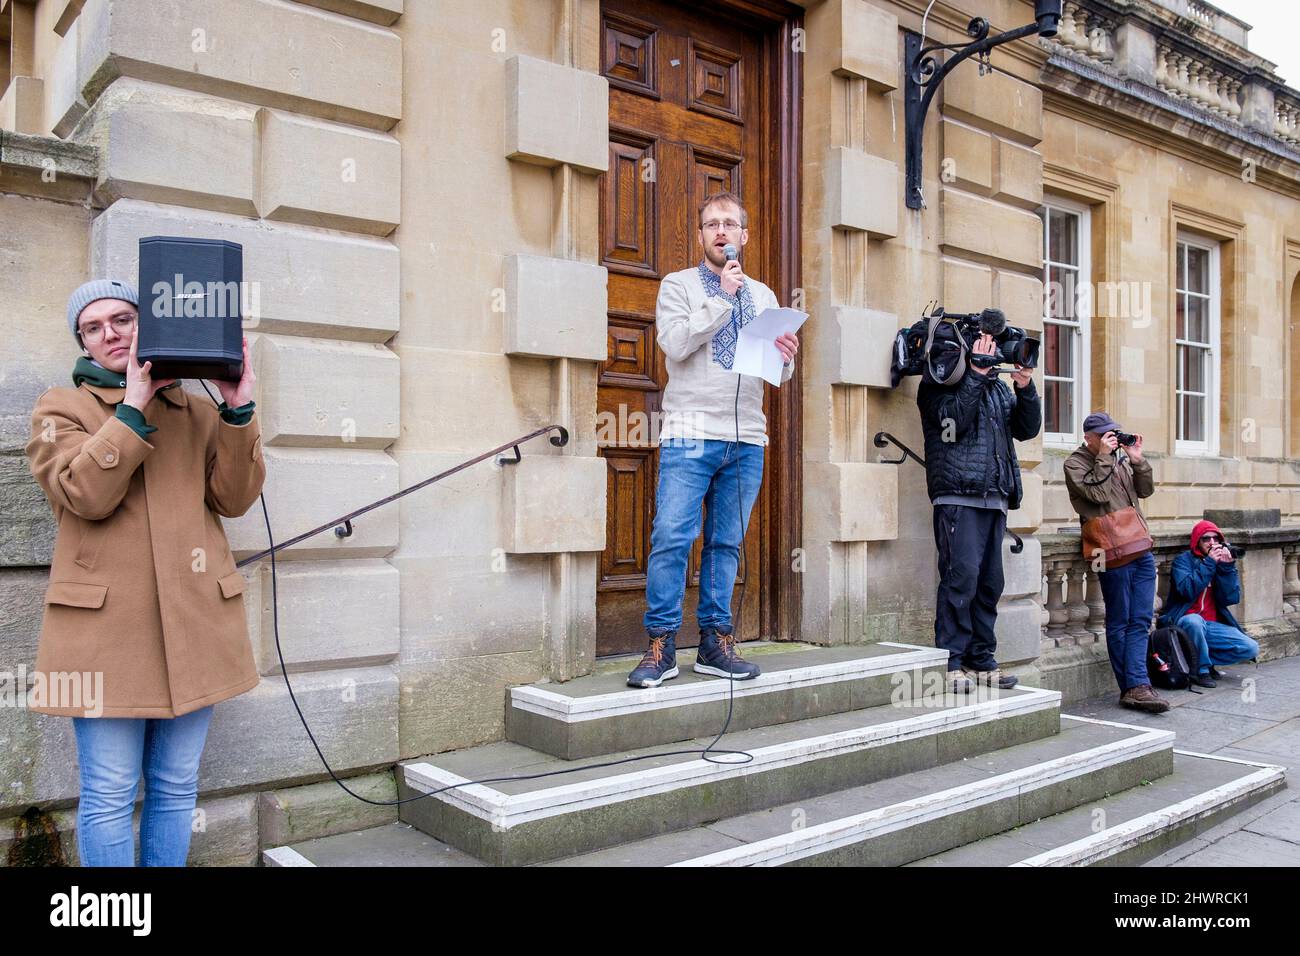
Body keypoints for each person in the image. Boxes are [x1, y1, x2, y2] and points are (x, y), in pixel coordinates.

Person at [24, 279, 264, 866]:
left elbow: (234, 500)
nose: (110, 334)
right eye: (93, 327)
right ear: (80, 340)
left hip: (195, 626)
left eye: (123, 320)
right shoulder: (60, 408)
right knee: (107, 794)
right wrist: (132, 406)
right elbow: (84, 494)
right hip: (103, 636)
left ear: (147, 325)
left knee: (178, 787)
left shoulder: (199, 411)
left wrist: (238, 409)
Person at [627, 191, 799, 688]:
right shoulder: (677, 286)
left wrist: (786, 355)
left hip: (747, 438)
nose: (720, 231)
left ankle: (714, 641)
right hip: (691, 433)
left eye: (729, 224)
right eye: (710, 224)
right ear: (701, 235)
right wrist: (721, 298)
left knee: (725, 544)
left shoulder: (763, 295)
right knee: (671, 538)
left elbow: (777, 374)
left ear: (744, 235)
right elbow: (676, 345)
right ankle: (660, 645)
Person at [917, 331, 1041, 693]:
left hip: (995, 496)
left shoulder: (997, 388)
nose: (992, 356)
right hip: (958, 496)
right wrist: (972, 375)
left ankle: (981, 659)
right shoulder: (938, 382)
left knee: (989, 585)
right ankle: (952, 660)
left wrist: (1025, 388)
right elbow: (952, 426)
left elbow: (1026, 429)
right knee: (961, 579)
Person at [1063, 412, 1168, 713]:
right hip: (1107, 551)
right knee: (1120, 620)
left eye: (1114, 433)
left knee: (1140, 619)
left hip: (1139, 548)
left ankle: (1139, 685)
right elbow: (1096, 494)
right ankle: (1134, 687)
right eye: (1105, 434)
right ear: (1088, 437)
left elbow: (1145, 490)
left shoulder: (1119, 461)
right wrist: (1106, 456)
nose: (1112, 438)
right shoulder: (1075, 463)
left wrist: (1137, 460)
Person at [1158, 519, 1259, 687]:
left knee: (1251, 648)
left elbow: (1230, 598)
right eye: (1206, 539)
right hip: (1185, 622)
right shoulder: (1183, 561)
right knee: (1194, 621)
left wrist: (1227, 569)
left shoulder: (1221, 562)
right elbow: (1186, 590)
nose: (1212, 543)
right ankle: (1201, 670)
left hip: (1210, 625)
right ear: (1197, 541)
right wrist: (1209, 563)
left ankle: (1195, 659)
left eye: (1216, 538)